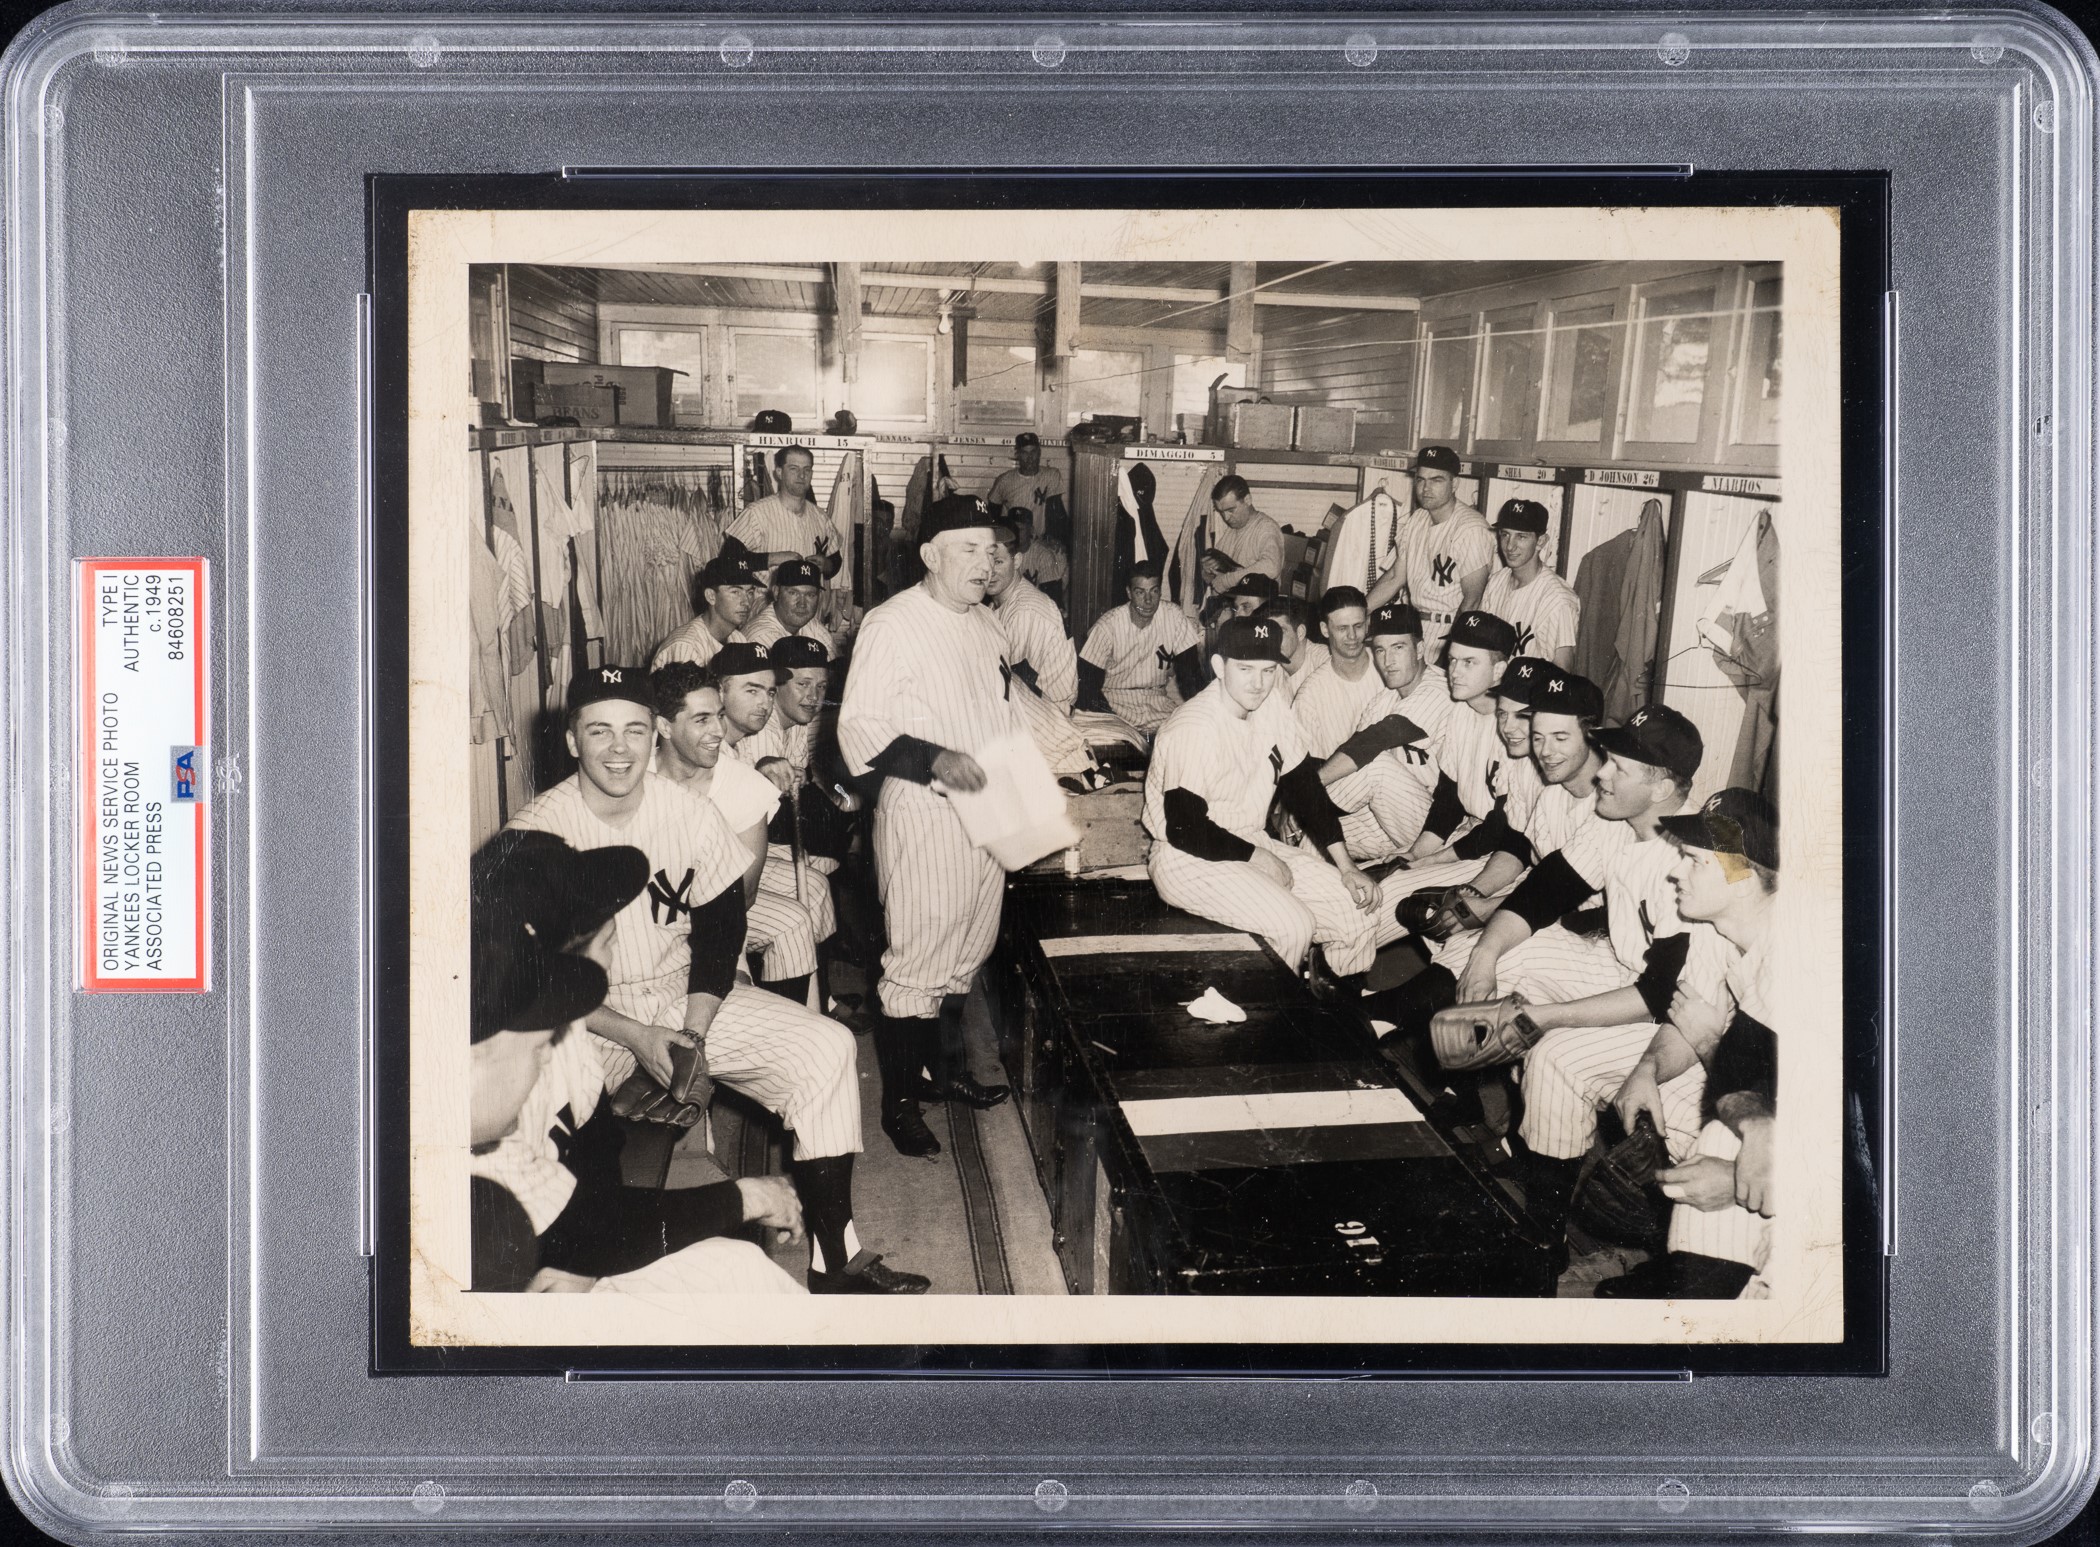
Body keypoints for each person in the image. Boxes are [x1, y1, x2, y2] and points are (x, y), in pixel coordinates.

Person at [506, 666, 927, 1294]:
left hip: (686, 997)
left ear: (655, 737)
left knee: (827, 1047)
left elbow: (722, 926)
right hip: (584, 1019)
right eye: (599, 731)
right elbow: (530, 975)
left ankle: (836, 1257)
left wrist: (693, 1031)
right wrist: (638, 1037)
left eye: (633, 731)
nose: (619, 749)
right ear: (571, 741)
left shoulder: (688, 811)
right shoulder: (534, 833)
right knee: (535, 1149)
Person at [1419, 705, 1737, 1265]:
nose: (1601, 774)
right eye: (1608, 758)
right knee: (1507, 956)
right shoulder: (1617, 818)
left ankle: (1544, 1233)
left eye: (1619, 766)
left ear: (1663, 786)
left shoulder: (1689, 861)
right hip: (1626, 970)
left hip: (1682, 1017)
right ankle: (1520, 1130)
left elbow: (1663, 995)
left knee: (1557, 1057)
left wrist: (1546, 1019)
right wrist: (1486, 957)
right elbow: (1549, 887)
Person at [468, 830, 806, 1296]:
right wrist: (745, 1198)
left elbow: (598, 1158)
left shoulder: (560, 1039)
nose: (615, 955)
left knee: (742, 1269)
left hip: (574, 1246)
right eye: (607, 942)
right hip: (539, 1280)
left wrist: (587, 1260)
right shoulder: (486, 1107)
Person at [837, 494, 1021, 1160]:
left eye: (992, 548)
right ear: (930, 556)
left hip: (986, 805)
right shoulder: (892, 622)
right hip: (925, 809)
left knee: (969, 947)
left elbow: (1001, 714)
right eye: (968, 549)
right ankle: (899, 1103)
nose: (986, 561)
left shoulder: (987, 625)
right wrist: (933, 755)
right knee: (917, 959)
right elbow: (858, 726)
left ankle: (941, 1074)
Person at [1598, 789, 1779, 1299]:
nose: (1677, 873)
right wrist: (1648, 1068)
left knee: (1723, 1141)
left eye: (1696, 861)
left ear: (1743, 880)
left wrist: (1706, 1042)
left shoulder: (1795, 955)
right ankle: (1685, 1283)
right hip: (1784, 1123)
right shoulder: (1722, 932)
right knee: (1723, 1137)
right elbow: (1719, 1048)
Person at [1143, 615, 1383, 981]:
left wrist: (1347, 866)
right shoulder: (1192, 727)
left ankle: (1333, 1015)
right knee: (1293, 926)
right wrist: (1260, 858)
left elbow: (1305, 788)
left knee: (1358, 909)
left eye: (1269, 670)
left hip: (1249, 842)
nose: (1258, 683)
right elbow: (1184, 828)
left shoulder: (1270, 706)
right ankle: (1267, 1027)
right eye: (1246, 669)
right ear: (1219, 667)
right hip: (1187, 858)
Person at [648, 662, 824, 1006]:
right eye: (702, 720)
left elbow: (742, 897)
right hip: (644, 927)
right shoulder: (635, 776)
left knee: (736, 991)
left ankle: (788, 1017)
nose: (718, 731)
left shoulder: (744, 785)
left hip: (713, 924)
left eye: (719, 715)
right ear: (664, 726)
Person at [1316, 603, 1454, 863]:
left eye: (1398, 648)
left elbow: (1375, 740)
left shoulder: (1439, 689)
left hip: (1437, 828)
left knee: (1375, 766)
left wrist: (1308, 790)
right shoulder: (1384, 699)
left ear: (1420, 649)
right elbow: (1351, 748)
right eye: (1380, 650)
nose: (1387, 661)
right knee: (1316, 836)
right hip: (1391, 813)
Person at [1401, 610, 1522, 862]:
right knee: (1386, 871)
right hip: (1467, 834)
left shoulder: (1515, 728)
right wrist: (1414, 854)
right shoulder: (1460, 711)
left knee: (1394, 891)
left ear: (1499, 670)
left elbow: (1500, 827)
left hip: (1498, 852)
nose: (1454, 671)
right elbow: (1449, 800)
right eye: (1453, 660)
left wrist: (1432, 861)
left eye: (1469, 662)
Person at [1368, 445, 1494, 661]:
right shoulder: (1418, 518)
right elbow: (1395, 577)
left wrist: (1450, 653)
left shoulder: (1471, 529)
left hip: (1449, 629)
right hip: (1416, 626)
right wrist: (1360, 613)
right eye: (1421, 480)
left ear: (1455, 483)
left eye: (1436, 480)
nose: (1426, 488)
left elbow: (1472, 601)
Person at [1076, 559, 1203, 735]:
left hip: (1157, 702)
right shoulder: (1108, 626)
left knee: (1189, 733)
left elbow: (1191, 676)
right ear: (1129, 593)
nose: (1148, 600)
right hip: (1115, 702)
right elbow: (1087, 688)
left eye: (1154, 591)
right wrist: (1115, 724)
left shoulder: (1174, 617)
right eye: (1140, 592)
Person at [984, 516, 1077, 711]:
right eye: (985, 561)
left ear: (1016, 560)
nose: (989, 571)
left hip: (1049, 714)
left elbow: (1014, 690)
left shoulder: (1025, 610)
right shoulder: (1000, 602)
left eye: (998, 562)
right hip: (1032, 705)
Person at [1481, 498, 1581, 669]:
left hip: (1529, 694)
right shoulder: (1497, 581)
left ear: (1541, 541)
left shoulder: (1558, 599)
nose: (1510, 546)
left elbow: (1562, 673)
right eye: (1505, 534)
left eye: (1521, 536)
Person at [1288, 586, 1387, 759]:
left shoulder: (1389, 668)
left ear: (1367, 624)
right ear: (1325, 630)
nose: (1352, 636)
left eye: (1358, 626)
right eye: (1342, 628)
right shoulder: (1309, 698)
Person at [724, 445, 843, 581]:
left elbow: (836, 560)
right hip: (767, 600)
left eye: (807, 470)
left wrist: (826, 565)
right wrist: (773, 558)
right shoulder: (756, 513)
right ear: (779, 473)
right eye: (793, 469)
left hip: (809, 599)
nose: (801, 475)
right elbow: (728, 562)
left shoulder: (821, 517)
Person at [651, 550, 765, 671]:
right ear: (711, 596)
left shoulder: (737, 638)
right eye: (735, 592)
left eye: (750, 592)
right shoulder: (687, 647)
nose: (746, 602)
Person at [1198, 474, 1285, 591]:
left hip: (1256, 607)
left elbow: (1271, 568)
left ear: (1247, 500)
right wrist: (1209, 572)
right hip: (1231, 604)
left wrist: (1227, 581)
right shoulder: (1232, 529)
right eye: (1221, 512)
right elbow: (1217, 581)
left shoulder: (1266, 528)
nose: (1226, 518)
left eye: (1231, 510)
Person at [741, 557, 837, 655]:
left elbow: (836, 664)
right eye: (793, 593)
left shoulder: (812, 624)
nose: (802, 604)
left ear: (819, 597)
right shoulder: (762, 636)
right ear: (776, 592)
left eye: (810, 595)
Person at [1251, 596, 1327, 708]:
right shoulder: (1272, 668)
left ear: (1300, 633)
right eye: (1267, 634)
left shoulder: (1323, 660)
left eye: (1279, 632)